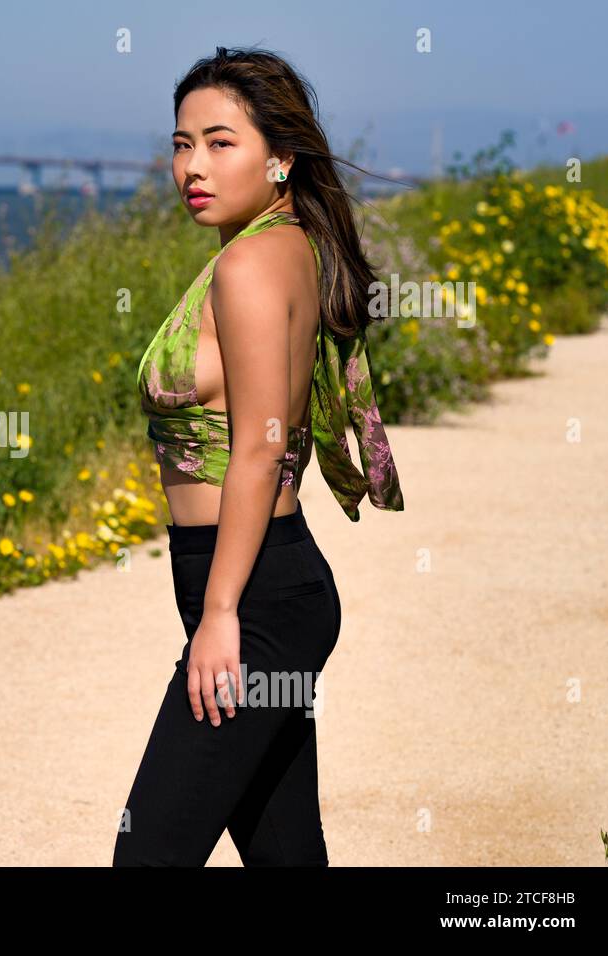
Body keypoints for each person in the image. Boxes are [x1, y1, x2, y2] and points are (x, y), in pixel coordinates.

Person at [114, 46, 405, 867]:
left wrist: (217, 615)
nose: (191, 167)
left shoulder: (247, 263)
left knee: (148, 853)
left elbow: (257, 452)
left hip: (254, 598)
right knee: (285, 850)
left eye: (219, 142)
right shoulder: (288, 244)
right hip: (261, 583)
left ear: (280, 156)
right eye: (180, 144)